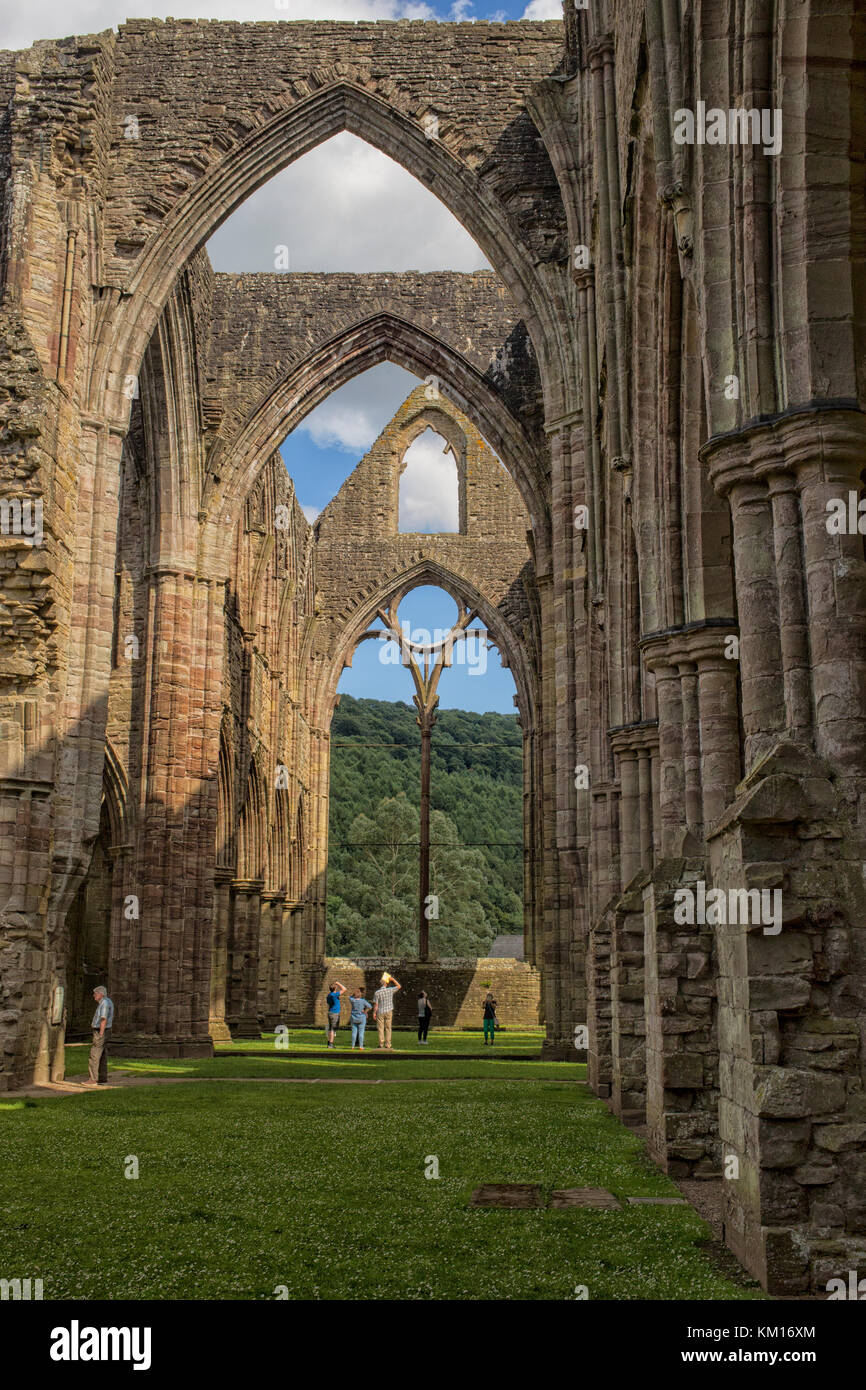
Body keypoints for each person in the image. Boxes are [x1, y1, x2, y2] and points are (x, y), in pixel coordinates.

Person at [86, 986, 114, 1084]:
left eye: (95, 993)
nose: (94, 995)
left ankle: (93, 1079)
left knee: (94, 1054)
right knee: (102, 1055)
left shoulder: (104, 1003)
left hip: (101, 1031)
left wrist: (101, 1033)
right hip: (104, 1030)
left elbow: (103, 1018)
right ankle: (102, 1077)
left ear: (101, 994)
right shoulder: (107, 1001)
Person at [372, 972, 401, 1050]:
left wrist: (374, 1013)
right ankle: (388, 1044)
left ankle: (381, 1043)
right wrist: (393, 979)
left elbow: (376, 1005)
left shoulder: (377, 993)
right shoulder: (390, 990)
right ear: (386, 984)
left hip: (380, 1011)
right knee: (388, 1028)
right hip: (389, 1011)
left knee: (380, 1028)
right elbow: (399, 986)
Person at [325, 980, 346, 1048]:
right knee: (332, 1029)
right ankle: (330, 1044)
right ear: (335, 988)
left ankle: (329, 1042)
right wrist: (338, 983)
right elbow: (344, 989)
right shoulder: (335, 995)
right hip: (334, 1013)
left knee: (330, 1028)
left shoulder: (328, 995)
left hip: (330, 1012)